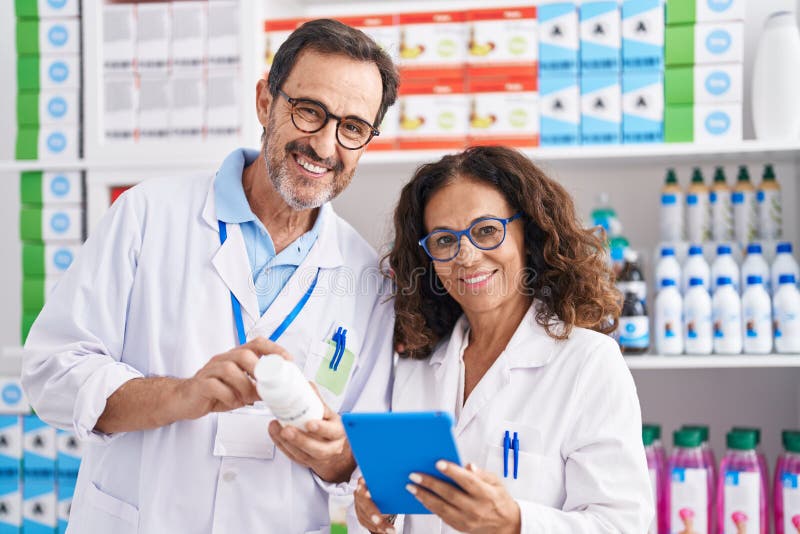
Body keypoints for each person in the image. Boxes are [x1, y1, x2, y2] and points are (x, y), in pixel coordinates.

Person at [21, 19, 399, 533]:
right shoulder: (147, 215)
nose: (326, 146)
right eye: (309, 111)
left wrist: (336, 457)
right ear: (266, 102)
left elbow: (369, 460)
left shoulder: (369, 280)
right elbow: (51, 373)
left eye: (353, 127)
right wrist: (181, 395)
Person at [354, 146, 654, 533]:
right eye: (444, 240)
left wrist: (515, 522)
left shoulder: (589, 362)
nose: (467, 256)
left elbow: (621, 523)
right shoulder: (414, 364)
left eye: (486, 231)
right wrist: (378, 515)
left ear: (528, 234)